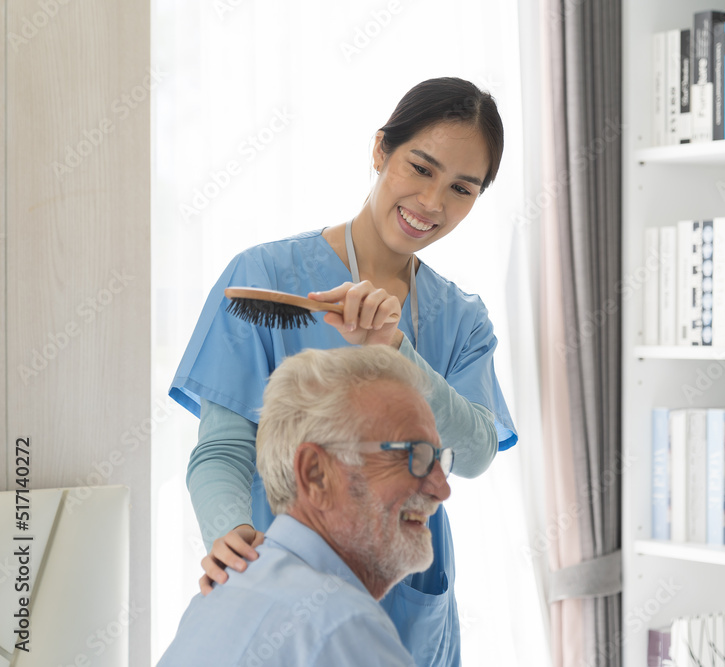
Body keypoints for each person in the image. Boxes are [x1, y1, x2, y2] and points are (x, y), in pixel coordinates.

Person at [168, 76, 516, 666]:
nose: (433, 203)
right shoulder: (269, 275)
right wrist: (228, 534)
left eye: (462, 187)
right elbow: (224, 446)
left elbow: (476, 453)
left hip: (407, 591)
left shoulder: (461, 318)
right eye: (421, 167)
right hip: (281, 578)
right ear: (381, 150)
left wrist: (395, 351)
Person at [159, 346, 452, 666]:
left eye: (440, 460)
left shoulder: (210, 603)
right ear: (316, 474)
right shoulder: (344, 626)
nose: (442, 489)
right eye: (413, 456)